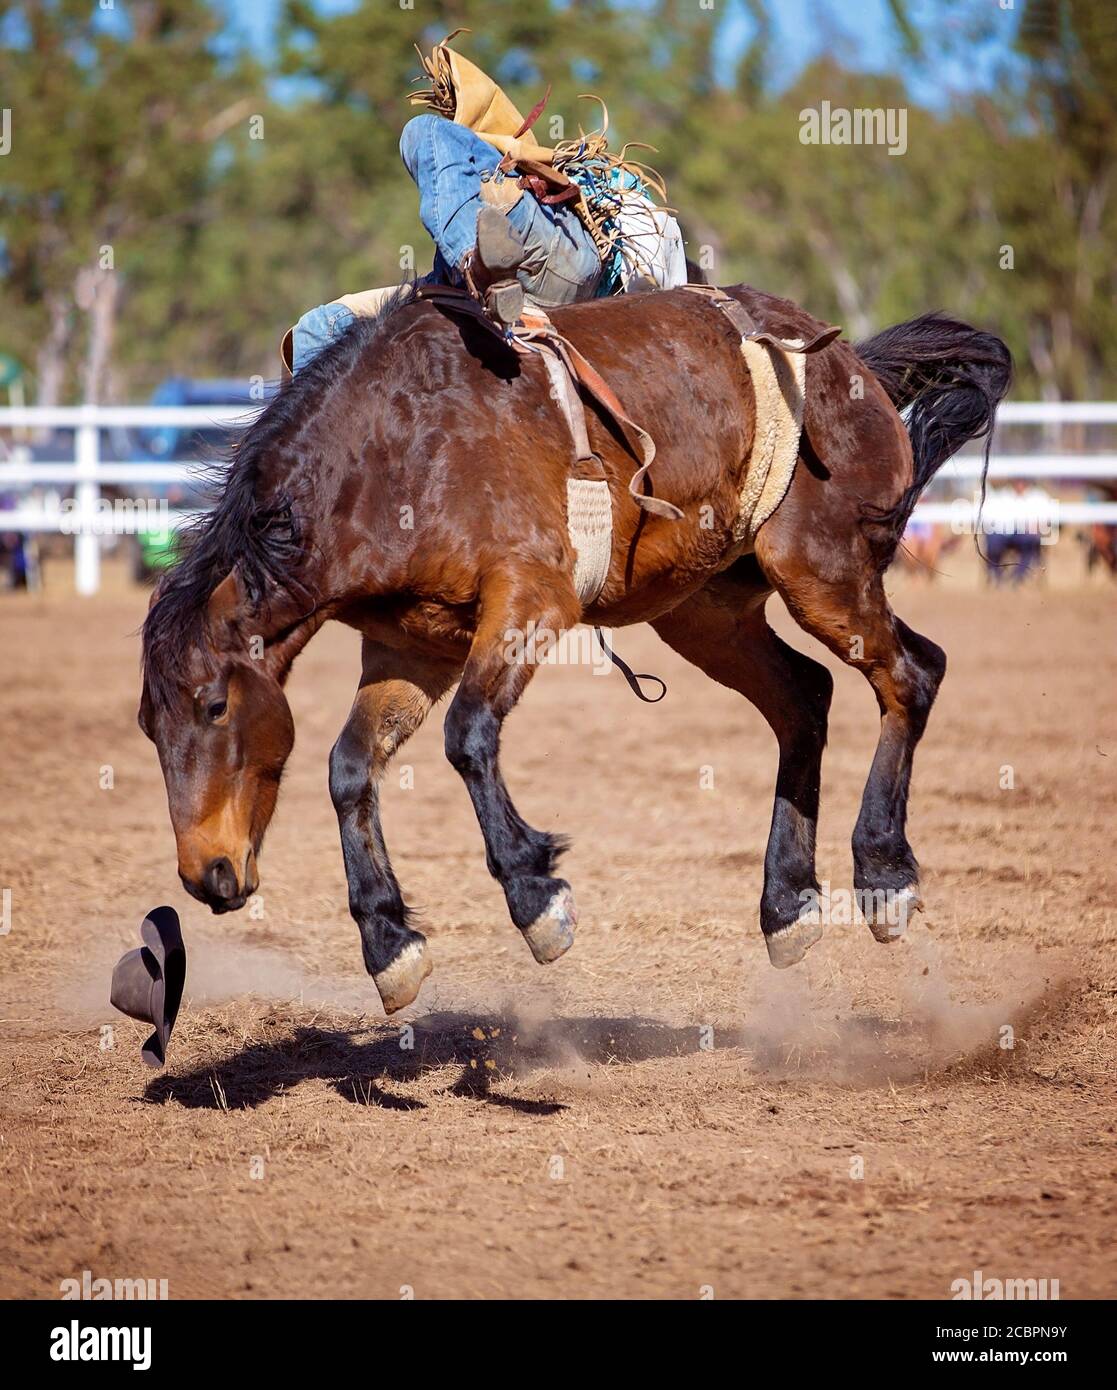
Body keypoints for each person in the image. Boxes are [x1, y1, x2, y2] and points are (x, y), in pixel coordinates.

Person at [288, 37, 687, 373]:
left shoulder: (573, 177)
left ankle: (478, 265)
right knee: (316, 329)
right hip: (484, 280)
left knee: (421, 131)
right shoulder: (480, 181)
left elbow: (651, 247)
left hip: (551, 253)